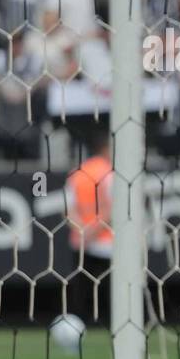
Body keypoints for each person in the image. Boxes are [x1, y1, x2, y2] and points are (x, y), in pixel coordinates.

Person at [65, 130, 113, 322]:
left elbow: (69, 209)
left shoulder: (77, 173)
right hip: (108, 242)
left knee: (82, 290)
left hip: (81, 241)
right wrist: (94, 231)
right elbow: (113, 209)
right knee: (110, 291)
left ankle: (80, 323)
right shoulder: (110, 172)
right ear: (105, 148)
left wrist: (83, 232)